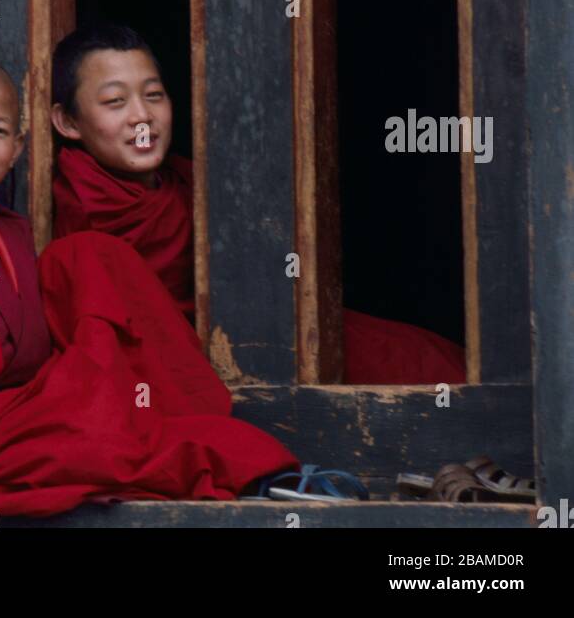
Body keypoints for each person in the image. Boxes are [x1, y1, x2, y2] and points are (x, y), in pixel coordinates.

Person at [0, 58, 298, 525]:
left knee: (115, 407)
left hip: (11, 409)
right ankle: (252, 475)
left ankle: (253, 469)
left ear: (17, 147)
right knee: (97, 439)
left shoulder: (9, 228)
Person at [50, 24, 467, 386]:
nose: (142, 116)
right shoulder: (76, 211)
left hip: (279, 335)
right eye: (115, 102)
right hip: (191, 370)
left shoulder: (195, 183)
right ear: (67, 122)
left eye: (154, 95)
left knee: (424, 359)